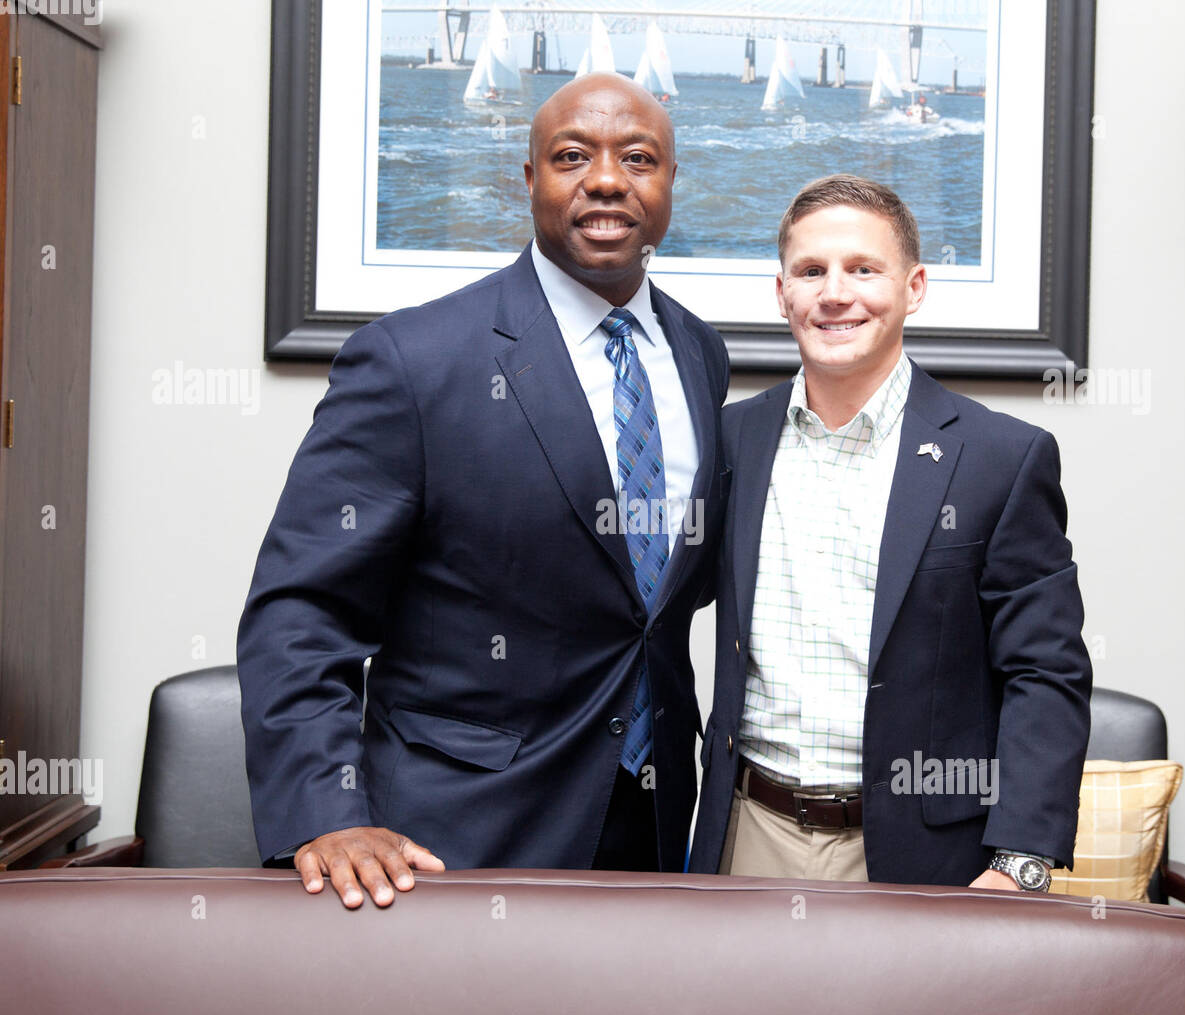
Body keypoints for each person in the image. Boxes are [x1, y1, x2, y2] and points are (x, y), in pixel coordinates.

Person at [238, 74, 729, 908]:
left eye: (638, 158)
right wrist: (325, 811)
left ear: (670, 183)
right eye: (572, 156)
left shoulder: (697, 353)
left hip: (652, 827)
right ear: (528, 178)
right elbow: (300, 611)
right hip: (454, 838)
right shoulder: (411, 360)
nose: (606, 179)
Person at [688, 174, 1090, 890]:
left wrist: (1020, 858)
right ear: (782, 293)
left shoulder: (1000, 458)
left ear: (914, 287)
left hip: (922, 855)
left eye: (863, 270)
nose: (835, 293)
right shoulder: (730, 441)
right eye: (812, 271)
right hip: (748, 833)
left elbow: (1045, 670)